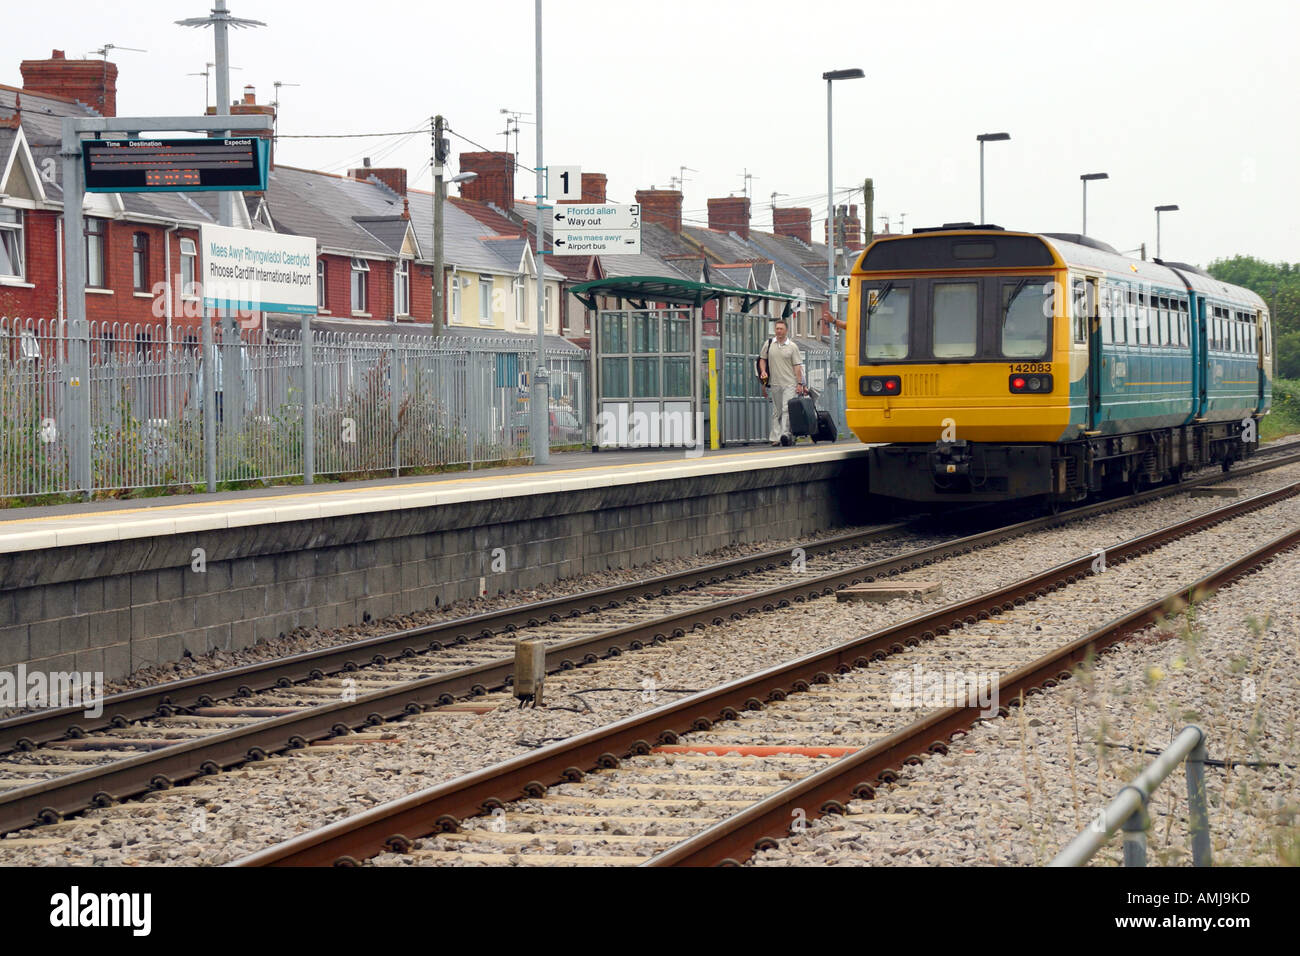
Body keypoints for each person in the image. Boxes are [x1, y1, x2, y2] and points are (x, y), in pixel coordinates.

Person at [758, 319, 806, 446]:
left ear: (786, 330)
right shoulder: (769, 344)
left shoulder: (792, 347)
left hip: (790, 383)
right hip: (775, 383)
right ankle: (776, 437)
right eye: (777, 328)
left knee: (786, 409)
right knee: (777, 411)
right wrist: (763, 371)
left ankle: (784, 434)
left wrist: (800, 383)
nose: (778, 331)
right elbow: (762, 359)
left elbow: (797, 366)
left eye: (781, 329)